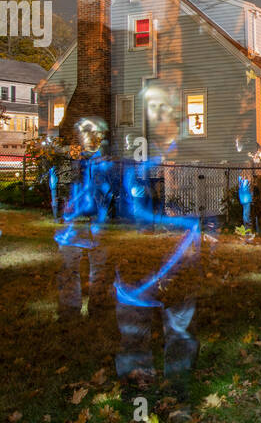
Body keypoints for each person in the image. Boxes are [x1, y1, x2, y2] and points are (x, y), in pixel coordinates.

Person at [115, 151, 202, 387]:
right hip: (141, 269)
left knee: (175, 321)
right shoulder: (135, 190)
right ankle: (142, 379)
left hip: (162, 272)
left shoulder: (149, 191)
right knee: (139, 325)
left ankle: (173, 380)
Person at [55, 117, 116, 319]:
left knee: (99, 268)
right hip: (73, 223)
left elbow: (111, 193)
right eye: (83, 134)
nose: (86, 138)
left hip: (97, 224)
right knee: (68, 266)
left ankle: (98, 308)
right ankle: (69, 309)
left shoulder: (105, 165)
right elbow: (63, 191)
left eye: (91, 134)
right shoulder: (73, 163)